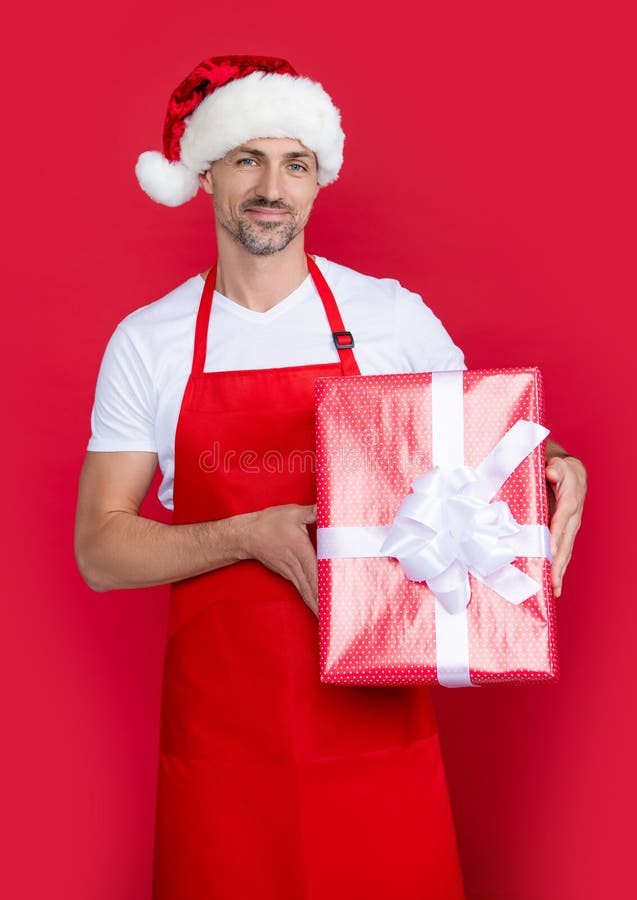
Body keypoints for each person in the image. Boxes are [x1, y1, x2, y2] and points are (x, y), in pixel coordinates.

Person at [74, 55, 587, 900]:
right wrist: (247, 532)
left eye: (295, 162)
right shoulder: (150, 341)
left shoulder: (388, 317)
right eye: (247, 158)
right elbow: (100, 549)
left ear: (318, 182)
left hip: (374, 725)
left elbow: (487, 451)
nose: (272, 185)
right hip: (223, 741)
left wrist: (556, 465)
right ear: (206, 175)